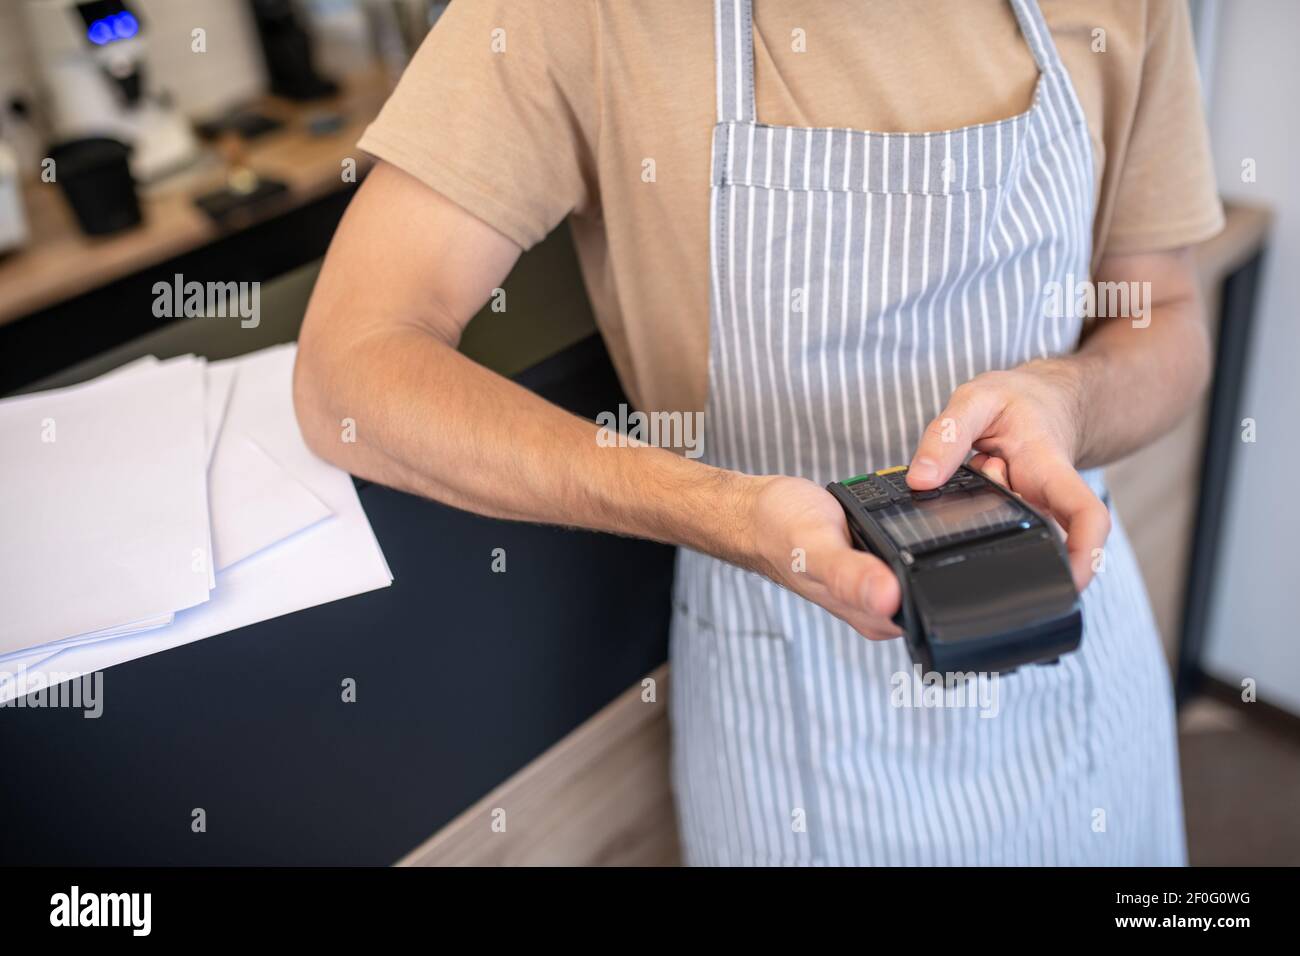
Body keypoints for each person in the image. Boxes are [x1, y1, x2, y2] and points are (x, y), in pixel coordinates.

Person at [293, 0, 1223, 865]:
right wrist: (722, 510)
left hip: (1074, 648)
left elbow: (1166, 311)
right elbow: (355, 363)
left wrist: (1069, 400)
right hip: (793, 710)